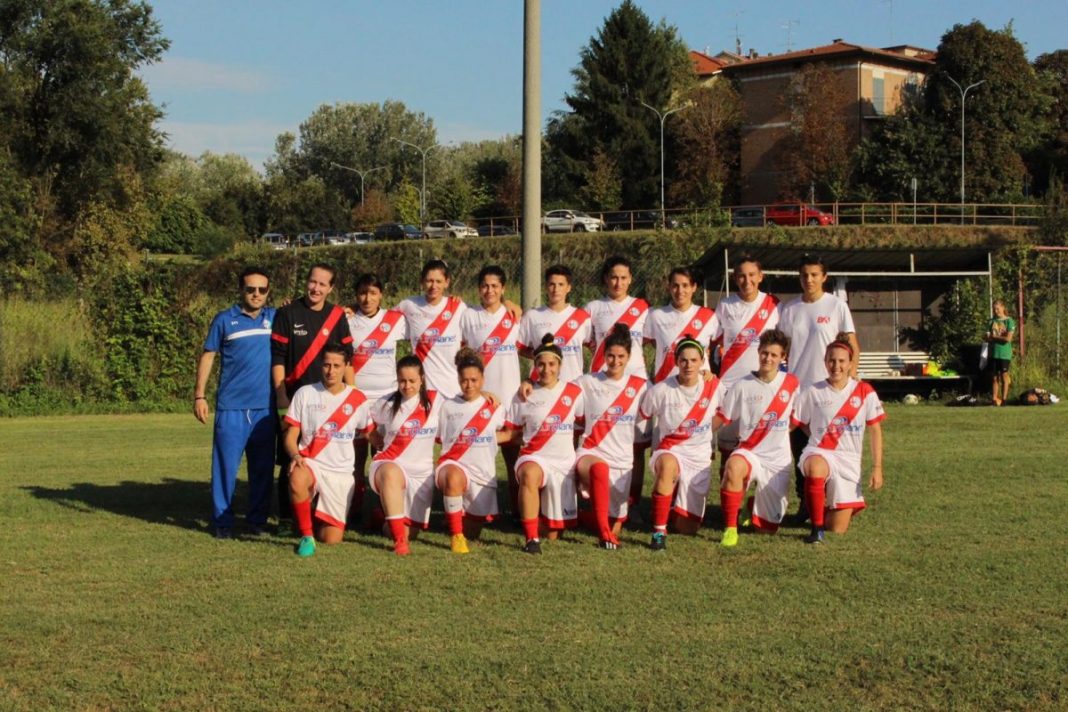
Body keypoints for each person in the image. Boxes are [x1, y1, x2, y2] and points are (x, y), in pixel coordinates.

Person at [194, 266, 277, 539]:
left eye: (262, 289)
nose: (256, 294)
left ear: (268, 292)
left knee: (262, 470)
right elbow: (208, 356)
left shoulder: (275, 317)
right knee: (225, 469)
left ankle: (257, 522)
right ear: (241, 290)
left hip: (265, 409)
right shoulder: (224, 319)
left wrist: (347, 312)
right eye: (250, 289)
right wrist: (199, 395)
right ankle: (223, 522)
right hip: (231, 407)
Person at [271, 263, 354, 535]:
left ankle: (320, 513)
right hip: (294, 399)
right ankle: (287, 517)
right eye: (312, 282)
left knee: (324, 454)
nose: (316, 288)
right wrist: (281, 395)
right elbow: (278, 358)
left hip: (330, 402)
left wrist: (351, 395)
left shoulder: (337, 316)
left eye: (322, 284)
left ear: (330, 288)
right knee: (290, 456)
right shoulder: (287, 313)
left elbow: (348, 359)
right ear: (306, 282)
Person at [778, 254, 858, 522]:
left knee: (832, 448)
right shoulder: (789, 309)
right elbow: (781, 350)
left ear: (824, 277)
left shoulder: (837, 306)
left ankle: (835, 501)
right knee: (801, 450)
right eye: (804, 275)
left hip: (830, 392)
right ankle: (806, 504)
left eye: (814, 275)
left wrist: (850, 383)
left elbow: (851, 347)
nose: (809, 280)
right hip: (798, 393)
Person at [282, 343, 374, 557]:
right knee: (297, 477)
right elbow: (290, 436)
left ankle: (313, 513)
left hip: (340, 473)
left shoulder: (357, 398)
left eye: (336, 365)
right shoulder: (305, 393)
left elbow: (370, 434)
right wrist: (295, 455)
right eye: (326, 365)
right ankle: (306, 536)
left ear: (346, 366)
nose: (331, 371)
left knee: (331, 538)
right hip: (311, 463)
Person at [793, 340, 885, 544]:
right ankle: (816, 529)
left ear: (851, 363)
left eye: (842, 361)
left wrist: (877, 468)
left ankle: (820, 505)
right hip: (820, 451)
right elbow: (796, 422)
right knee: (816, 467)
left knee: (837, 528)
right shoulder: (813, 391)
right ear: (825, 362)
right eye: (831, 360)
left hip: (848, 460)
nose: (836, 366)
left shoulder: (864, 391)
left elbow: (875, 430)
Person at [713, 329, 799, 547]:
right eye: (764, 353)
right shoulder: (742, 385)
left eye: (774, 355)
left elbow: (798, 418)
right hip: (749, 451)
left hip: (777, 459)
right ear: (758, 352)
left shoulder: (792, 384)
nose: (768, 358)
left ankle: (752, 505)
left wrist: (779, 432)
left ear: (783, 357)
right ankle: (730, 528)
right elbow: (722, 417)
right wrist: (699, 435)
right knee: (733, 465)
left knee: (766, 530)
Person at [639, 337, 722, 550]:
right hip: (671, 449)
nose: (688, 365)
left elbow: (725, 413)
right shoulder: (661, 390)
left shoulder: (714, 385)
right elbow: (642, 414)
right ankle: (659, 532)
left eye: (694, 360)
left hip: (698, 456)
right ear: (676, 362)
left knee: (687, 528)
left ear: (702, 362)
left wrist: (705, 431)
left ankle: (669, 504)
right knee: (667, 466)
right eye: (683, 360)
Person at [506, 334, 585, 554]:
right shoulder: (524, 394)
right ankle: (531, 539)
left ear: (560, 366)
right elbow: (511, 431)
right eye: (541, 364)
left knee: (552, 534)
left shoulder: (574, 393)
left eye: (551, 364)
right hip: (534, 457)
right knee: (529, 474)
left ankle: (534, 515)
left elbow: (582, 426)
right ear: (534, 365)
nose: (546, 369)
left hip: (563, 464)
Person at [573, 324, 649, 549]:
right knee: (600, 469)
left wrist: (705, 376)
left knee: (615, 523)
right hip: (591, 452)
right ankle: (604, 536)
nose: (615, 361)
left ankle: (578, 518)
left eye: (621, 357)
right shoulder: (587, 382)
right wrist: (528, 384)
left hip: (623, 461)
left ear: (629, 357)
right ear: (603, 355)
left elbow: (671, 392)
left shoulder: (641, 387)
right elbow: (556, 391)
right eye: (610, 356)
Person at [436, 348, 512, 554]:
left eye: (474, 380)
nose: (469, 385)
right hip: (453, 465)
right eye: (464, 380)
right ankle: (456, 537)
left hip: (482, 473)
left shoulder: (494, 407)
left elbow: (509, 434)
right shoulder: (447, 406)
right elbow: (438, 437)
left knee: (473, 531)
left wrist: (486, 438)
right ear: (458, 380)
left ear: (483, 380)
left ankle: (454, 518)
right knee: (453, 477)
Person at [460, 265, 522, 517]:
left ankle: (518, 512)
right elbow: (460, 354)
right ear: (478, 288)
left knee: (513, 458)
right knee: (477, 458)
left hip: (510, 398)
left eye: (495, 286)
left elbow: (531, 350)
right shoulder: (468, 316)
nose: (490, 290)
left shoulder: (514, 316)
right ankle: (476, 511)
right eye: (485, 286)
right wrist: (477, 390)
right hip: (480, 400)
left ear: (503, 288)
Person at [346, 273, 407, 524]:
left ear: (381, 294)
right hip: (357, 401)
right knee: (355, 459)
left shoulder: (396, 320)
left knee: (384, 456)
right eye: (362, 293)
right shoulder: (347, 319)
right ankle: (353, 510)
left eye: (372, 293)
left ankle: (384, 511)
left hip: (387, 401)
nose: (367, 298)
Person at [369, 355, 443, 555]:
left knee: (411, 532)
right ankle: (400, 543)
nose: (407, 386)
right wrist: (372, 435)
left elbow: (464, 402)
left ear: (422, 379)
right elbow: (363, 418)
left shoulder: (437, 400)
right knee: (390, 473)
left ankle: (382, 518)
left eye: (412, 380)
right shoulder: (386, 403)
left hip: (421, 473)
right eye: (402, 380)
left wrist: (486, 394)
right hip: (389, 463)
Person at [712, 255, 781, 466]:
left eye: (752, 275)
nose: (747, 280)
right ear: (735, 278)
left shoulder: (774, 305)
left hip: (763, 386)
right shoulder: (725, 305)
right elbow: (711, 342)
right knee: (728, 452)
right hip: (730, 387)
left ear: (761, 276)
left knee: (761, 450)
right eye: (741, 276)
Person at [396, 260, 468, 400]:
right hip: (422, 392)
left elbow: (483, 314)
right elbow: (380, 317)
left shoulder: (458, 306)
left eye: (438, 281)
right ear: (422, 282)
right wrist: (355, 308)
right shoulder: (408, 305)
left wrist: (506, 304)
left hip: (453, 390)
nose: (433, 286)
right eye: (429, 281)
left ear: (447, 282)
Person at [517, 264, 591, 383]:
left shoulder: (582, 317)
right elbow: (518, 347)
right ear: (546, 287)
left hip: (573, 384)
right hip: (541, 384)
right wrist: (539, 355)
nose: (556, 289)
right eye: (552, 284)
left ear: (568, 288)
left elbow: (594, 345)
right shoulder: (532, 316)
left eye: (561, 284)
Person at [585, 255, 649, 376]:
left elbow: (651, 338)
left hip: (635, 375)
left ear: (630, 279)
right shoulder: (593, 308)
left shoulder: (643, 307)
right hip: (602, 375)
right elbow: (583, 338)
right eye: (614, 278)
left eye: (623, 278)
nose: (619, 283)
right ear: (606, 278)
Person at [986, 300, 1016, 406]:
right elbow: (987, 338)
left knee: (1004, 375)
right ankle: (994, 400)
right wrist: (988, 337)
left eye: (997, 308)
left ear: (1003, 308)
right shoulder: (991, 321)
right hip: (993, 353)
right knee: (994, 377)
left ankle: (1004, 400)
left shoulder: (1009, 321)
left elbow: (1008, 339)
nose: (996, 311)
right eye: (994, 309)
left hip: (1004, 353)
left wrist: (994, 337)